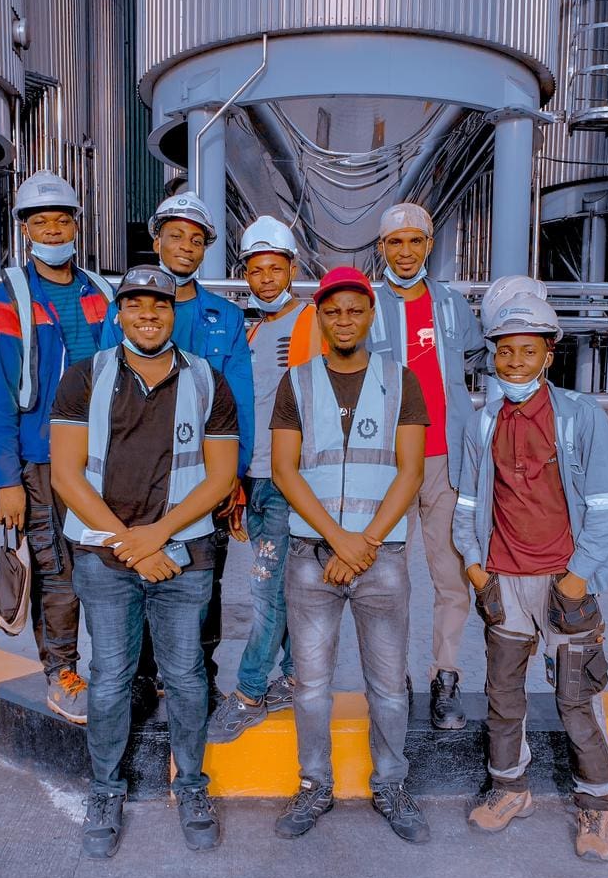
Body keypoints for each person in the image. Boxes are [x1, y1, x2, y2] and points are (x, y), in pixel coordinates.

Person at [49, 265, 239, 858]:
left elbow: (220, 475)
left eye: (158, 304)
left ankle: (193, 785)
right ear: (121, 312)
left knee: (185, 677)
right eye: (135, 305)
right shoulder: (86, 377)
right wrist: (130, 544)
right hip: (107, 560)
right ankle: (106, 789)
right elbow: (65, 474)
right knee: (110, 679)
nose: (148, 315)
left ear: (172, 311)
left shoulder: (208, 382)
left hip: (184, 556)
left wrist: (156, 537)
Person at [452, 288, 608, 861]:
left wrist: (577, 578)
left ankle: (596, 808)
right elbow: (469, 506)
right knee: (504, 698)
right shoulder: (483, 424)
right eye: (505, 353)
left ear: (549, 353)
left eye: (527, 352)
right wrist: (477, 572)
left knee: (577, 699)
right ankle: (509, 791)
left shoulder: (581, 417)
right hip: (504, 583)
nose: (515, 363)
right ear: (494, 355)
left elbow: (606, 505)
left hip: (565, 584)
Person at [270, 267, 430, 844]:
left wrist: (361, 545)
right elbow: (285, 471)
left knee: (388, 686)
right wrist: (340, 541)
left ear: (369, 316)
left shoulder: (400, 380)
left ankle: (391, 784)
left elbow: (410, 471)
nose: (343, 320)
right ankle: (315, 785)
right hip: (315, 556)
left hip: (380, 557)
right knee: (310, 687)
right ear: (321, 317)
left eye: (354, 310)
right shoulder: (297, 383)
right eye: (333, 310)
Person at [0, 170, 117, 724]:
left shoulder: (103, 293)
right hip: (41, 460)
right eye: (41, 222)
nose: (53, 231)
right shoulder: (6, 300)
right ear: (25, 230)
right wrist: (6, 482)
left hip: (103, 457)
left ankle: (115, 668)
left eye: (62, 221)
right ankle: (61, 672)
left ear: (77, 226)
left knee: (106, 566)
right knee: (56, 570)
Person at [132, 191, 254, 713]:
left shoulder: (222, 317)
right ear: (156, 239)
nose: (186, 246)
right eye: (176, 235)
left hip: (205, 477)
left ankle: (199, 674)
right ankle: (140, 676)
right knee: (136, 575)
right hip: (137, 476)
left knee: (204, 578)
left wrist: (235, 477)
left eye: (197, 239)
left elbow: (241, 401)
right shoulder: (132, 306)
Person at [368, 202, 487, 729]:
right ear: (381, 249)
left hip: (445, 459)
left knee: (450, 577)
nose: (406, 252)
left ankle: (446, 677)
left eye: (415, 241)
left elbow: (483, 363)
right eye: (396, 243)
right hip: (388, 462)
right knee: (388, 578)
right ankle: (393, 679)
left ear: (429, 245)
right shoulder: (365, 305)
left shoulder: (454, 307)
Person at [207, 216, 323, 743]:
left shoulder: (313, 322)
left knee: (267, 591)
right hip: (255, 479)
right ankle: (296, 676)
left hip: (288, 479)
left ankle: (251, 690)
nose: (266, 280)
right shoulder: (252, 329)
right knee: (284, 585)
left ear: (293, 269)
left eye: (275, 269)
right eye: (256, 271)